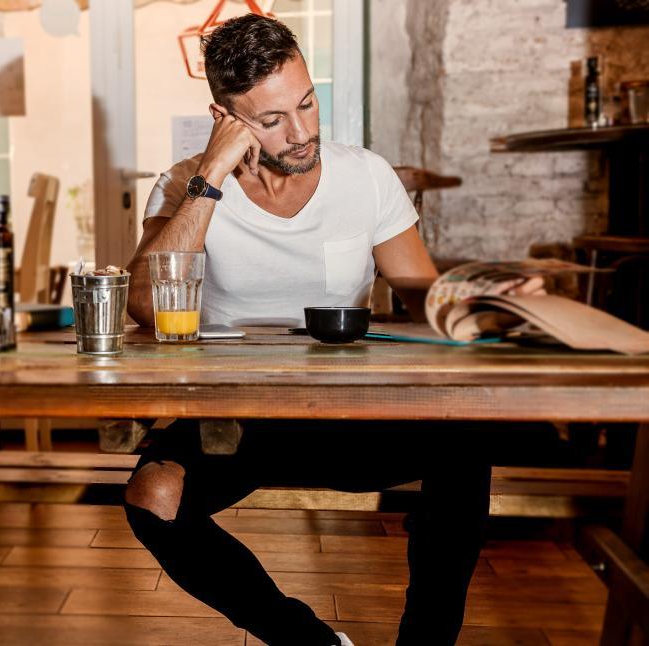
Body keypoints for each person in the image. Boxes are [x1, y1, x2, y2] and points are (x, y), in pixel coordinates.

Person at [122, 14, 507, 646]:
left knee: (467, 439)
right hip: (238, 421)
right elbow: (144, 302)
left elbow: (427, 300)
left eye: (307, 103)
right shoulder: (185, 185)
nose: (302, 133)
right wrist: (211, 177)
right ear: (225, 118)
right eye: (272, 119)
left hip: (354, 416)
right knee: (153, 495)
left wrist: (497, 304)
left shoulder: (366, 176)